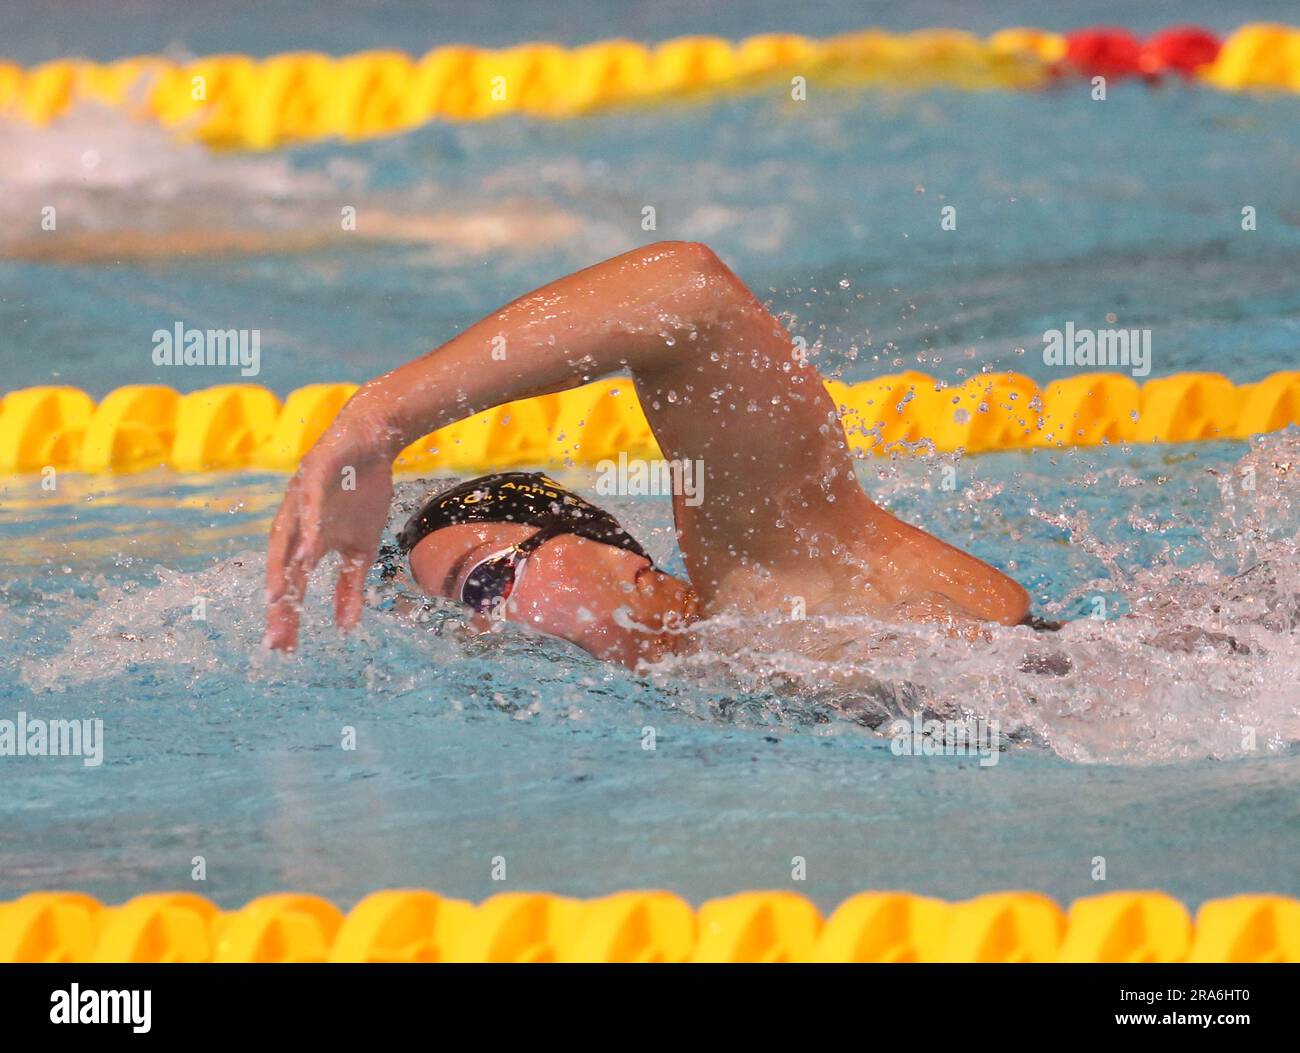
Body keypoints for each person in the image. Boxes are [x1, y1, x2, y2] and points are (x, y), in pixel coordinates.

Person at [265, 241, 1036, 667]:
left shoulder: (776, 578)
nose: (484, 633)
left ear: (619, 554)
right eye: (455, 624)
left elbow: (688, 298)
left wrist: (380, 419)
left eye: (485, 583)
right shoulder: (719, 688)